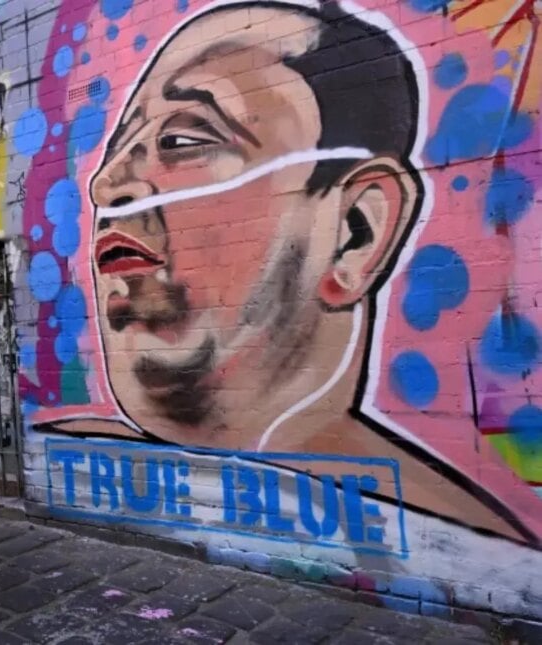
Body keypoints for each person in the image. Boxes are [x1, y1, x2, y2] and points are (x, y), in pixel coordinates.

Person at [40, 0, 538, 543]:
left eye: (183, 141)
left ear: (355, 234)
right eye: (119, 148)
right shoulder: (66, 451)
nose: (106, 184)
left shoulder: (468, 543)